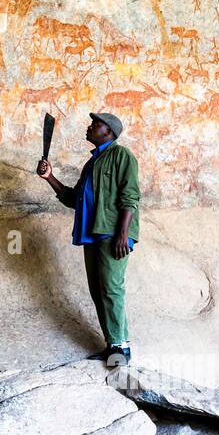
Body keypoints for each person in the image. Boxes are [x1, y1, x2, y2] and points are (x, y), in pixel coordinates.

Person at [37, 111, 140, 367]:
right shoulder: (92, 163)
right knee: (98, 290)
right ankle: (112, 345)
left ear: (109, 132)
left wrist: (123, 234)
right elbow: (74, 199)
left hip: (112, 234)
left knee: (111, 288)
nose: (90, 127)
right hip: (92, 233)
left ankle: (122, 349)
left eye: (96, 124)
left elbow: (131, 197)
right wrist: (49, 177)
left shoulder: (121, 156)